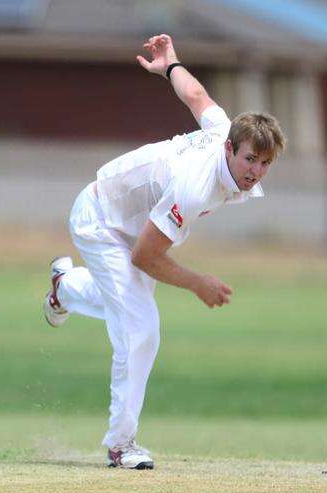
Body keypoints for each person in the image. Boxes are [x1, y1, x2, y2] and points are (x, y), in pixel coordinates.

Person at [43, 34, 286, 469]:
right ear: (230, 148)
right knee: (141, 327)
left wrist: (171, 64)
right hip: (101, 220)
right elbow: (145, 257)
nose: (256, 172)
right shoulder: (196, 187)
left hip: (131, 222)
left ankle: (65, 286)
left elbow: (196, 95)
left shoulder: (222, 130)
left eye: (265, 163)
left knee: (121, 303)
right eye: (250, 159)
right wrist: (199, 283)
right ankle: (121, 445)